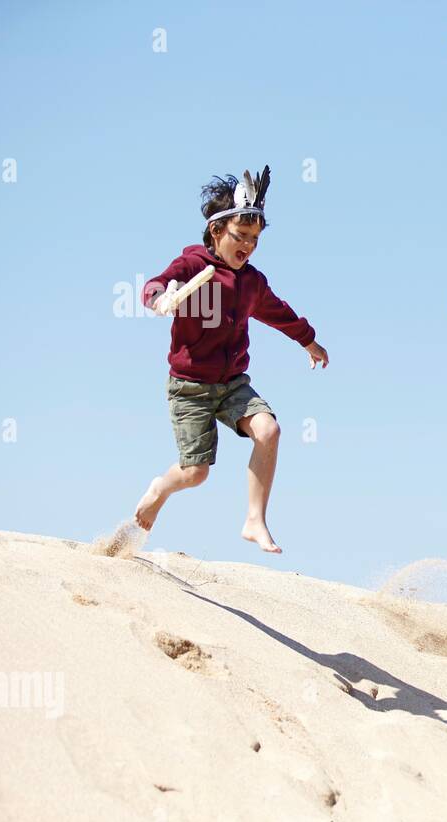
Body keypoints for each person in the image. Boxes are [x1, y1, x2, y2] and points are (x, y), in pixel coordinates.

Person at [133, 166, 329, 553]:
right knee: (195, 473)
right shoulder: (192, 265)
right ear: (216, 232)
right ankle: (160, 489)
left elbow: (279, 312)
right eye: (240, 236)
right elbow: (155, 284)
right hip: (189, 387)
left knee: (269, 431)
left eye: (255, 239)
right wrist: (159, 299)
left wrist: (309, 341)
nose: (248, 246)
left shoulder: (251, 282)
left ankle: (255, 520)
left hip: (233, 383)